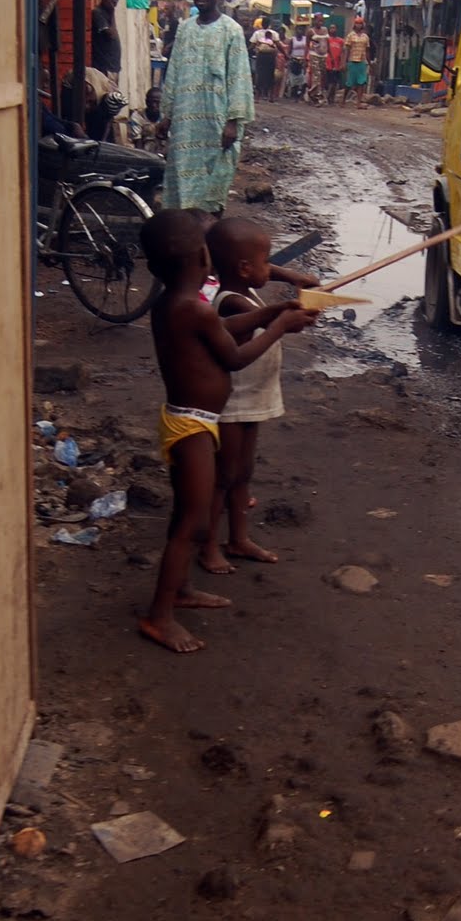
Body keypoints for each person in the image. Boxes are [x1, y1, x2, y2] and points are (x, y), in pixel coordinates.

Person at [137, 210, 317, 653]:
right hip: (191, 427)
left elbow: (221, 330)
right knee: (189, 522)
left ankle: (178, 591)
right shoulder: (190, 309)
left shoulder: (178, 305)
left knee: (192, 516)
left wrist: (271, 311)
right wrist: (277, 326)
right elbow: (234, 358)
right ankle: (159, 617)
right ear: (203, 257)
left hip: (194, 422)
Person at [201, 218, 317, 573]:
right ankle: (208, 548)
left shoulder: (243, 286)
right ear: (244, 268)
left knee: (243, 472)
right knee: (223, 476)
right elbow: (268, 320)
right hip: (234, 403)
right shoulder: (231, 302)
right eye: (266, 261)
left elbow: (265, 281)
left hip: (253, 398)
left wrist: (292, 280)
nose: (272, 267)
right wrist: (286, 318)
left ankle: (238, 538)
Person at [158, 0, 254, 215]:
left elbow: (240, 78)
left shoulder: (231, 30)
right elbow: (174, 72)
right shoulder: (185, 29)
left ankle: (209, 246)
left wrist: (233, 122)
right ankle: (185, 246)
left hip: (217, 124)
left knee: (212, 189)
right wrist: (166, 115)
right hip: (184, 125)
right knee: (181, 189)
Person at [92, 0, 122, 79]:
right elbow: (111, 35)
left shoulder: (108, 15)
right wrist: (113, 11)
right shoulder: (98, 13)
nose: (115, 1)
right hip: (104, 69)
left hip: (113, 68)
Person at [342, 14, 372, 107]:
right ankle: (343, 99)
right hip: (352, 61)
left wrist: (369, 63)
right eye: (357, 23)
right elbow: (347, 49)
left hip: (362, 61)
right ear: (354, 25)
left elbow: (367, 50)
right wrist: (344, 62)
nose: (358, 25)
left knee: (361, 82)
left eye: (360, 24)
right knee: (349, 82)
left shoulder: (365, 37)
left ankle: (358, 102)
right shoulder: (350, 35)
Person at [252, 24, 279, 99]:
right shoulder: (272, 40)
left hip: (261, 58)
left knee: (260, 75)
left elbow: (254, 45)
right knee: (270, 76)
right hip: (270, 58)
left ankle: (258, 96)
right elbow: (276, 48)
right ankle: (270, 96)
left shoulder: (259, 37)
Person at [307, 15, 328, 103]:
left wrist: (329, 54)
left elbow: (328, 42)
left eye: (322, 21)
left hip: (324, 55)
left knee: (322, 74)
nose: (320, 23)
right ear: (314, 21)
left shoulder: (325, 30)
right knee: (317, 75)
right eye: (319, 21)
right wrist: (306, 57)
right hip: (314, 54)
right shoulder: (310, 31)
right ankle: (317, 96)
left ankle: (312, 92)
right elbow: (307, 43)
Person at [287, 23, 309, 99]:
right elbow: (289, 51)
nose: (300, 31)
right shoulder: (292, 39)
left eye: (302, 29)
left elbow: (308, 48)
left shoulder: (305, 39)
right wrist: (289, 60)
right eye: (298, 29)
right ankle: (294, 95)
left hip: (303, 60)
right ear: (296, 30)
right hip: (294, 60)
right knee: (294, 79)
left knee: (303, 79)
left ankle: (301, 94)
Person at [324, 24, 345, 104]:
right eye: (331, 28)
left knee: (335, 83)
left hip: (337, 65)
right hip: (328, 64)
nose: (333, 29)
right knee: (329, 82)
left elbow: (343, 52)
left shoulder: (340, 41)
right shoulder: (327, 40)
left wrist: (342, 63)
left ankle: (331, 98)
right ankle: (328, 97)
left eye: (334, 28)